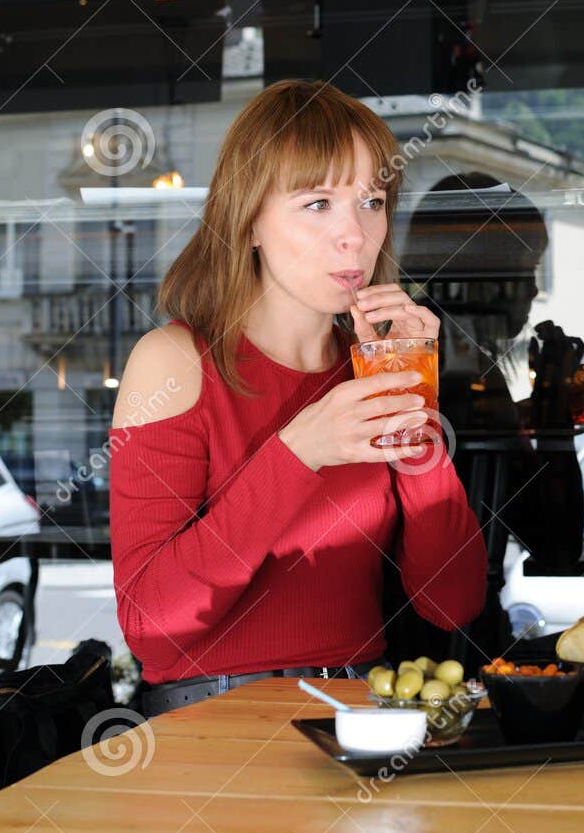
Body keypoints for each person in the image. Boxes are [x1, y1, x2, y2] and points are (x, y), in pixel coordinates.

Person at [109, 80, 486, 715]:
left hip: (360, 712)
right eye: (318, 203)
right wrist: (297, 453)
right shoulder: (174, 363)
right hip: (211, 727)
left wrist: (414, 411)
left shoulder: (367, 371)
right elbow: (152, 622)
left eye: (371, 201)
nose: (354, 235)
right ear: (249, 220)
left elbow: (452, 602)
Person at [395, 173, 584, 665]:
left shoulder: (434, 362)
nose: (530, 291)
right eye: (524, 270)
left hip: (432, 644)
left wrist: (547, 412)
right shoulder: (454, 376)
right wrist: (552, 418)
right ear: (481, 276)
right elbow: (556, 544)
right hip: (445, 650)